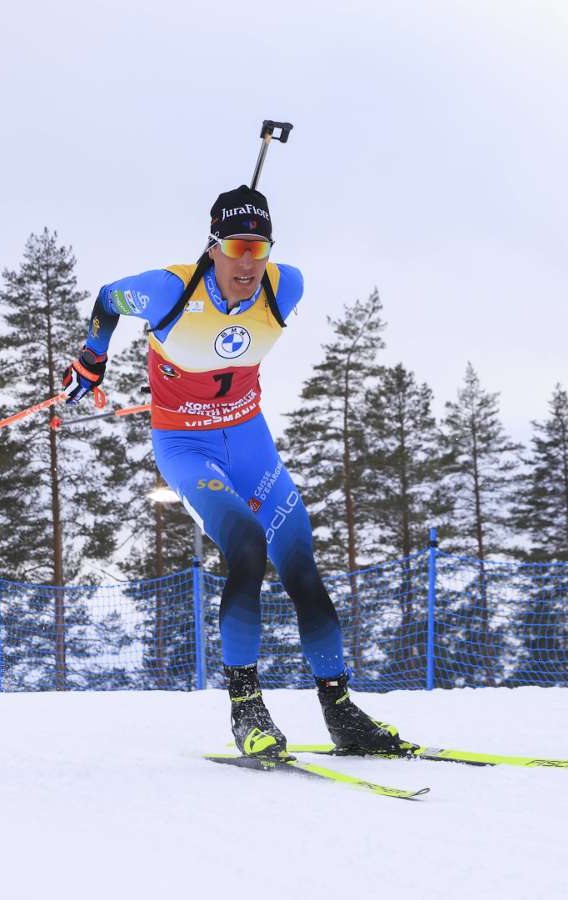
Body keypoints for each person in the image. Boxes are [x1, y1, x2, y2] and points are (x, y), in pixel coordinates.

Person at [62, 185, 406, 758]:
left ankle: (341, 711)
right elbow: (106, 298)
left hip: (249, 439)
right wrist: (93, 358)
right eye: (237, 246)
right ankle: (246, 707)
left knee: (299, 560)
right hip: (187, 447)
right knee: (245, 545)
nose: (248, 262)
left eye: (259, 247)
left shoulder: (285, 285)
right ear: (215, 246)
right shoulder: (169, 289)